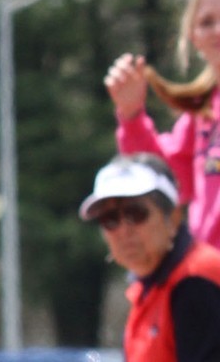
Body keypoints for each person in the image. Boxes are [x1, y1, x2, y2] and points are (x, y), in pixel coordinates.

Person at [106, 0, 220, 246]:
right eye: (207, 22)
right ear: (194, 38)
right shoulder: (202, 116)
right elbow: (161, 180)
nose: (218, 30)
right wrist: (132, 114)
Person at [81, 153, 220, 361]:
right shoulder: (148, 288)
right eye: (110, 219)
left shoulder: (195, 281)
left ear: (173, 217)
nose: (123, 230)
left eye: (136, 213)